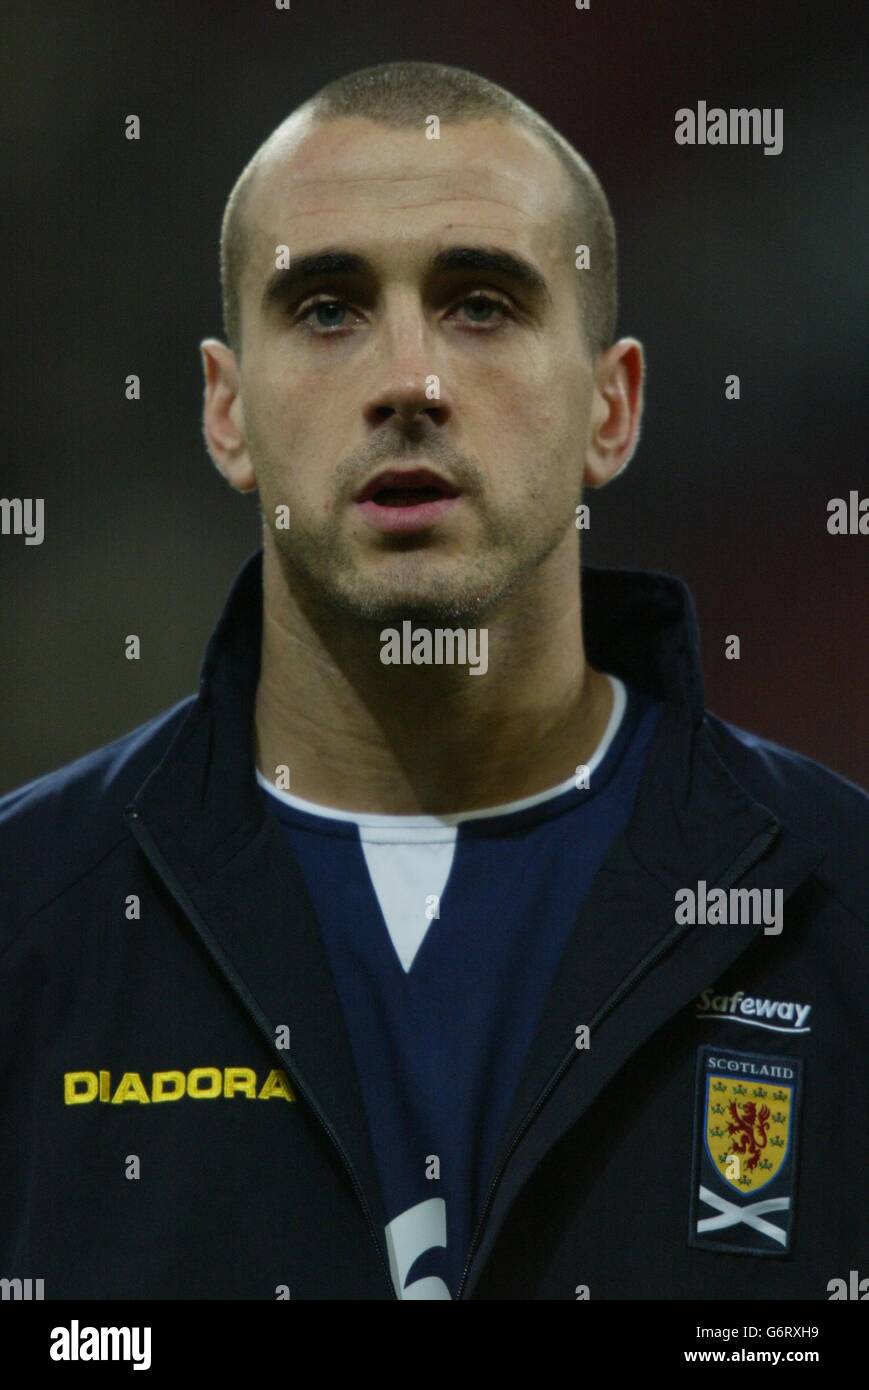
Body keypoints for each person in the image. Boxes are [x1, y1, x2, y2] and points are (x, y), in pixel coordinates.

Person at [1, 61, 866, 1302]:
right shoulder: (30, 923)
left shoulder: (840, 920)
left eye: (480, 304)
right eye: (325, 309)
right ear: (227, 412)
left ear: (609, 410)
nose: (409, 380)